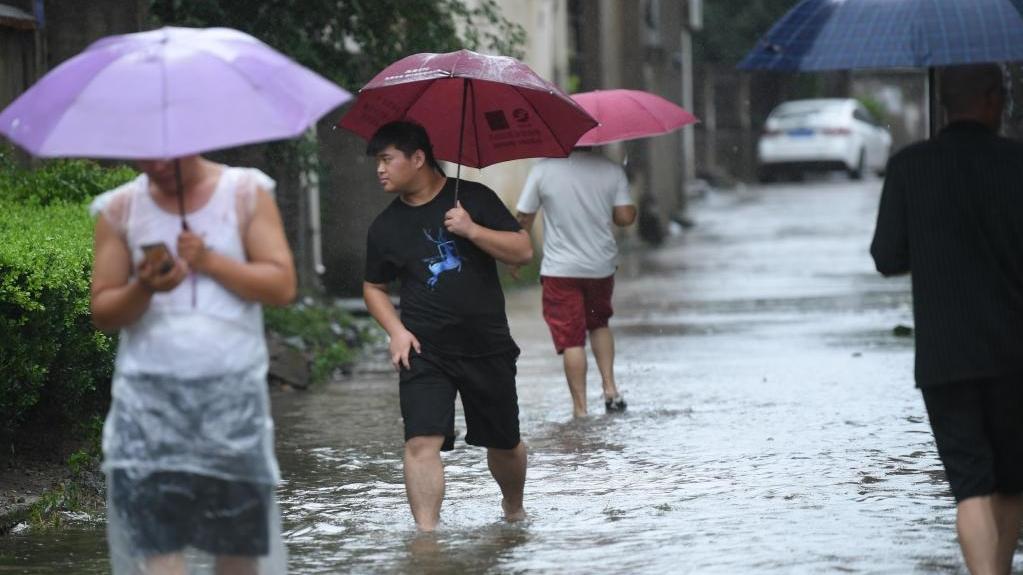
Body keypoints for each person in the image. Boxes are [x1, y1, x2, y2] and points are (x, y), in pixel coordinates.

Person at [90, 155, 295, 574]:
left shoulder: (244, 192)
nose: (155, 165)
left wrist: (209, 261)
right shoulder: (120, 208)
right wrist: (144, 287)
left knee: (237, 547)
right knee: (156, 545)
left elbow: (281, 285)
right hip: (147, 405)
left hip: (231, 401)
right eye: (143, 154)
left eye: (166, 155)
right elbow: (103, 311)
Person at [871, 63, 1023, 575]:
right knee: (1012, 481)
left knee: (971, 485)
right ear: (988, 100)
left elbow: (887, 257)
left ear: (942, 104)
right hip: (1014, 351)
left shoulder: (910, 166)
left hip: (945, 355)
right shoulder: (1017, 162)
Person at [361, 121, 532, 531]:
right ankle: (427, 539)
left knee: (504, 442)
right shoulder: (384, 227)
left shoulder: (473, 198)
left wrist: (472, 229)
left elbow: (523, 251)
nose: (379, 170)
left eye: (387, 160)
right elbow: (373, 287)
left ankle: (513, 509)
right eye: (377, 162)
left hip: (485, 343)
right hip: (424, 348)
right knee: (421, 442)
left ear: (418, 158)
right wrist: (397, 331)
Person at [515, 147, 636, 417]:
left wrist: (515, 256)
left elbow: (524, 216)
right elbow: (626, 217)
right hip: (600, 267)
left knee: (572, 339)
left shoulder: (543, 170)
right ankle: (611, 391)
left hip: (561, 270)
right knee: (600, 324)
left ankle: (580, 409)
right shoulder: (611, 169)